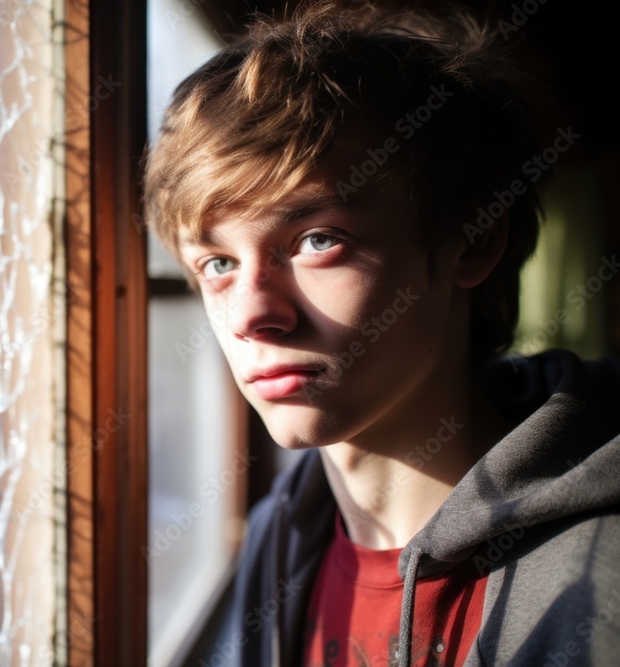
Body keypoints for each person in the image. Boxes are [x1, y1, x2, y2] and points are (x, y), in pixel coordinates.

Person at [141, 2, 620, 665]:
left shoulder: (601, 575)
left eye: (315, 240)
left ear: (472, 242)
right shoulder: (275, 540)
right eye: (218, 263)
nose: (251, 313)